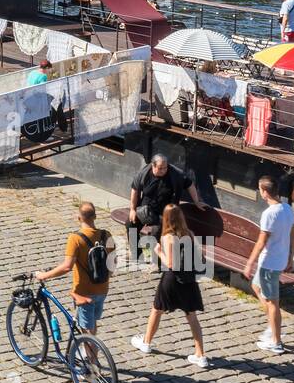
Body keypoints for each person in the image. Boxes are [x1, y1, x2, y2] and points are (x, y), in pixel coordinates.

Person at [129, 205, 209, 368]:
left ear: (165, 218)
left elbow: (171, 263)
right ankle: (200, 355)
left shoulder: (168, 237)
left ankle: (146, 342)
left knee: (157, 309)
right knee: (192, 317)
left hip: (172, 279)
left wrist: (158, 251)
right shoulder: (190, 234)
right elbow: (201, 256)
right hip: (189, 280)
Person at [34, 202, 115, 345]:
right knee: (92, 325)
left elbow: (66, 267)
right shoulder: (106, 235)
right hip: (102, 289)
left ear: (79, 218)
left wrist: (43, 275)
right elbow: (113, 263)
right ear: (95, 216)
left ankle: (92, 362)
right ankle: (87, 354)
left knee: (87, 331)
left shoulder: (75, 239)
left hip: (83, 291)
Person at [245, 176, 294, 354]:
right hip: (280, 258)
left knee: (273, 302)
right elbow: (293, 233)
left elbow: (261, 242)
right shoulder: (288, 208)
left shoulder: (269, 214)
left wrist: (249, 263)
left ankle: (276, 340)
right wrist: (290, 257)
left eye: (260, 189)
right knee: (256, 286)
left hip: (269, 262)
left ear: (264, 192)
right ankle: (272, 326)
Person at [127, 154, 204, 258]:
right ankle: (136, 252)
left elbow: (190, 184)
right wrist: (132, 209)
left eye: (165, 167)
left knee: (156, 231)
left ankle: (156, 260)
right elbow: (135, 189)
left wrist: (197, 201)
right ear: (153, 166)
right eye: (160, 168)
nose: (163, 170)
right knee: (130, 223)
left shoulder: (176, 174)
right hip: (145, 210)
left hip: (165, 214)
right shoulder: (144, 173)